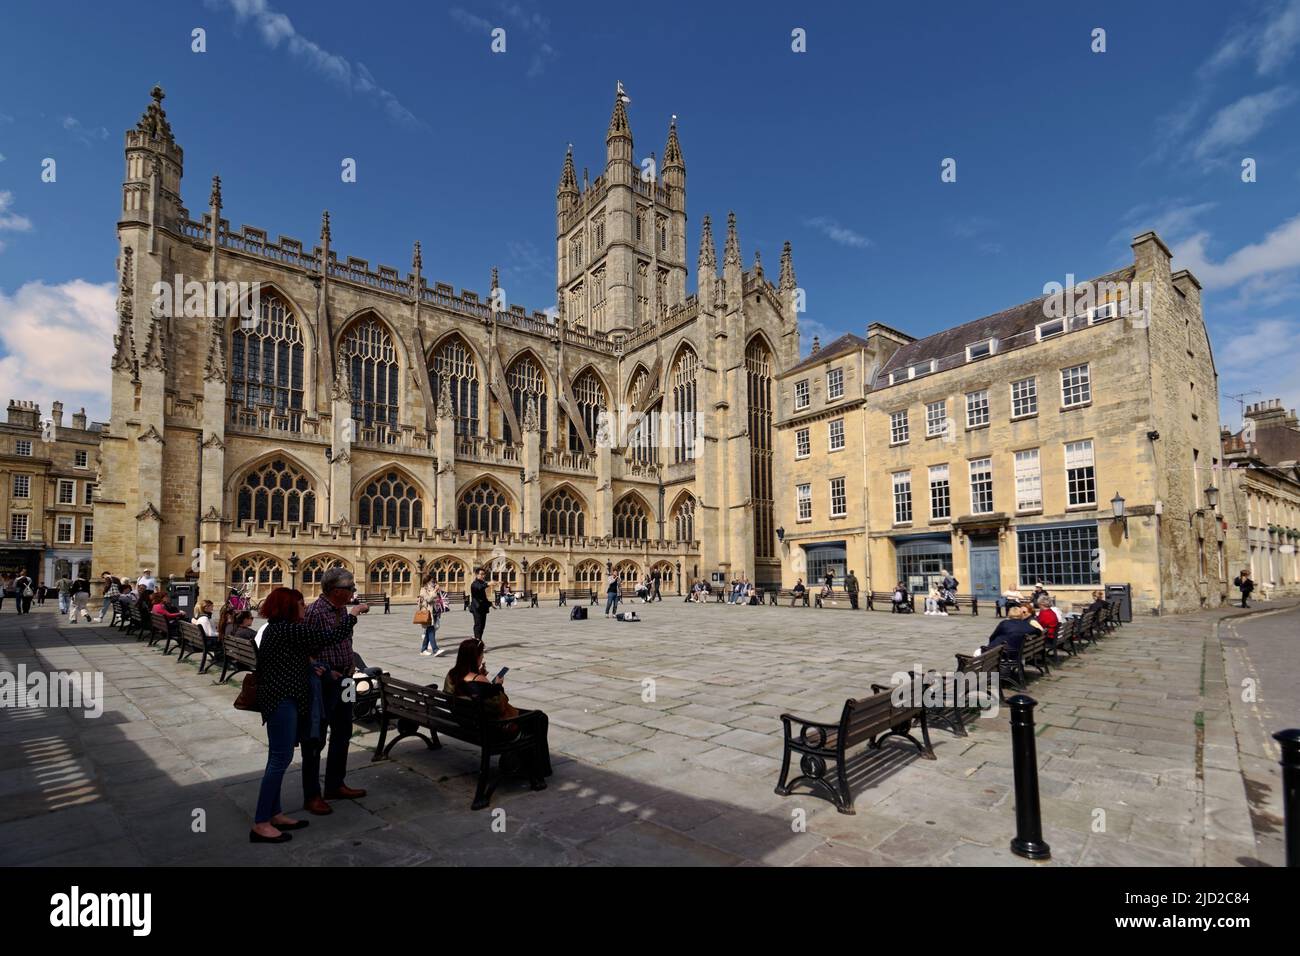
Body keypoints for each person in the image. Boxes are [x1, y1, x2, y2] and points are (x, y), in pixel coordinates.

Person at [249, 586, 364, 843]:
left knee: (278, 757)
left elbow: (293, 659)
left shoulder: (276, 630)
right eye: (301, 605)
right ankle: (261, 822)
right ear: (291, 608)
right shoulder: (289, 629)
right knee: (280, 759)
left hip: (282, 698)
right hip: (282, 700)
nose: (305, 608)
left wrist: (318, 667)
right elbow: (331, 636)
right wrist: (354, 614)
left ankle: (275, 813)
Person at [298, 568, 370, 816]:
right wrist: (326, 672)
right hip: (326, 683)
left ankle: (335, 784)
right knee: (316, 737)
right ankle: (312, 795)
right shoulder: (315, 613)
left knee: (343, 732)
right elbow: (306, 649)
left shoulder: (340, 610)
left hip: (346, 680)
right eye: (350, 588)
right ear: (335, 590)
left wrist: (350, 664)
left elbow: (343, 641)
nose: (353, 591)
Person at [443, 638, 551, 781]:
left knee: (534, 717)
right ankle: (539, 769)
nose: (483, 657)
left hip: (467, 723)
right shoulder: (479, 680)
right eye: (481, 655)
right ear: (475, 657)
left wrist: (481, 677)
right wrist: (497, 686)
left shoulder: (452, 675)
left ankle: (526, 761)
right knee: (539, 718)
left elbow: (468, 691)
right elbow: (499, 705)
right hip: (492, 728)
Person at [417, 572, 446, 657]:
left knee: (428, 632)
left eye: (433, 582)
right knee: (431, 631)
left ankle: (423, 649)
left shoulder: (431, 589)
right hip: (427, 614)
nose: (433, 583)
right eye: (431, 581)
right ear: (427, 582)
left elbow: (436, 599)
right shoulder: (423, 590)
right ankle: (435, 649)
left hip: (434, 613)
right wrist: (435, 591)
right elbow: (429, 599)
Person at [469, 566, 491, 640]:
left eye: (484, 574)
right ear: (477, 575)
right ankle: (477, 641)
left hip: (483, 607)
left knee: (482, 626)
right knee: (478, 625)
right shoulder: (474, 584)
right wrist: (488, 584)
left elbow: (483, 597)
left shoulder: (482, 583)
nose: (483, 576)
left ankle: (479, 640)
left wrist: (490, 604)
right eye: (481, 574)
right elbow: (479, 587)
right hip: (477, 608)